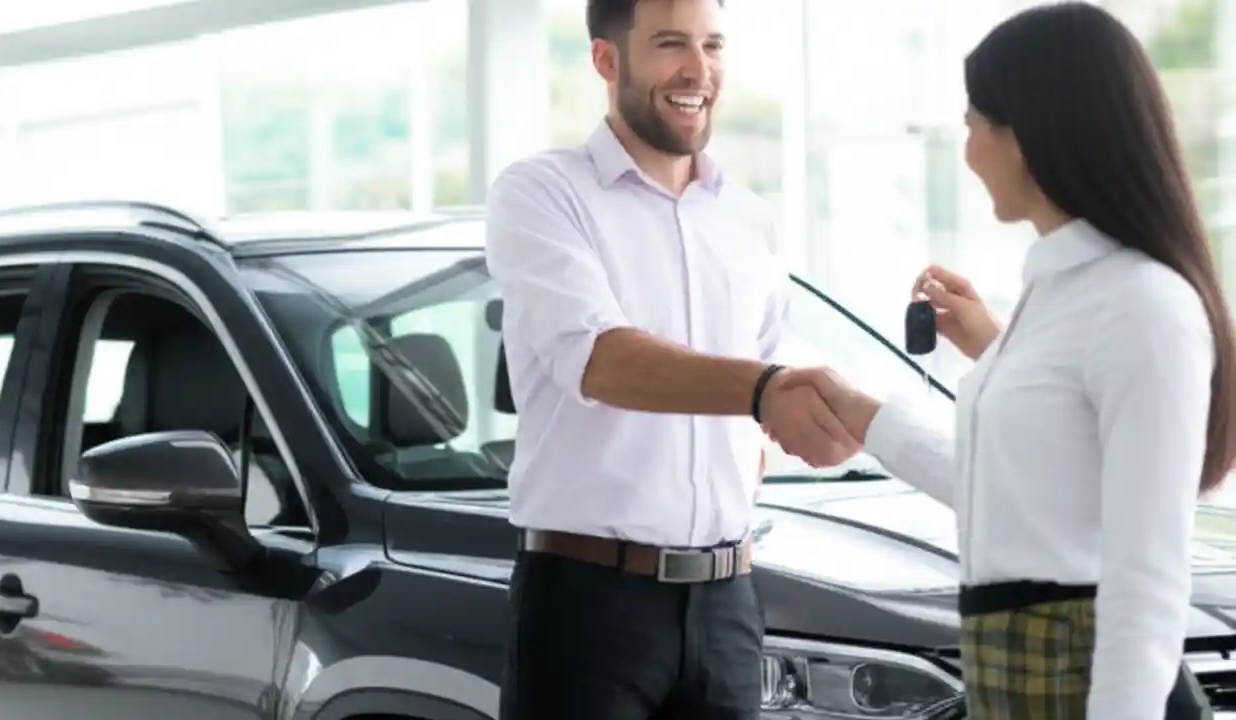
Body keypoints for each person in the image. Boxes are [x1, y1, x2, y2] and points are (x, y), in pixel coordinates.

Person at [780, 3, 1236, 718]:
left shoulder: (1142, 303)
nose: (967, 154)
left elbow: (1146, 574)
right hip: (1020, 677)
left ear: (1027, 133)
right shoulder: (1055, 295)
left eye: (972, 125)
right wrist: (865, 414)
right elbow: (1009, 495)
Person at [483, 0, 857, 717]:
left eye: (712, 45)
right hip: (588, 607)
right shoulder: (542, 193)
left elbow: (756, 413)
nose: (698, 70)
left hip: (728, 605)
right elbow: (600, 359)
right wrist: (765, 390)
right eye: (669, 44)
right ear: (606, 59)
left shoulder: (747, 218)